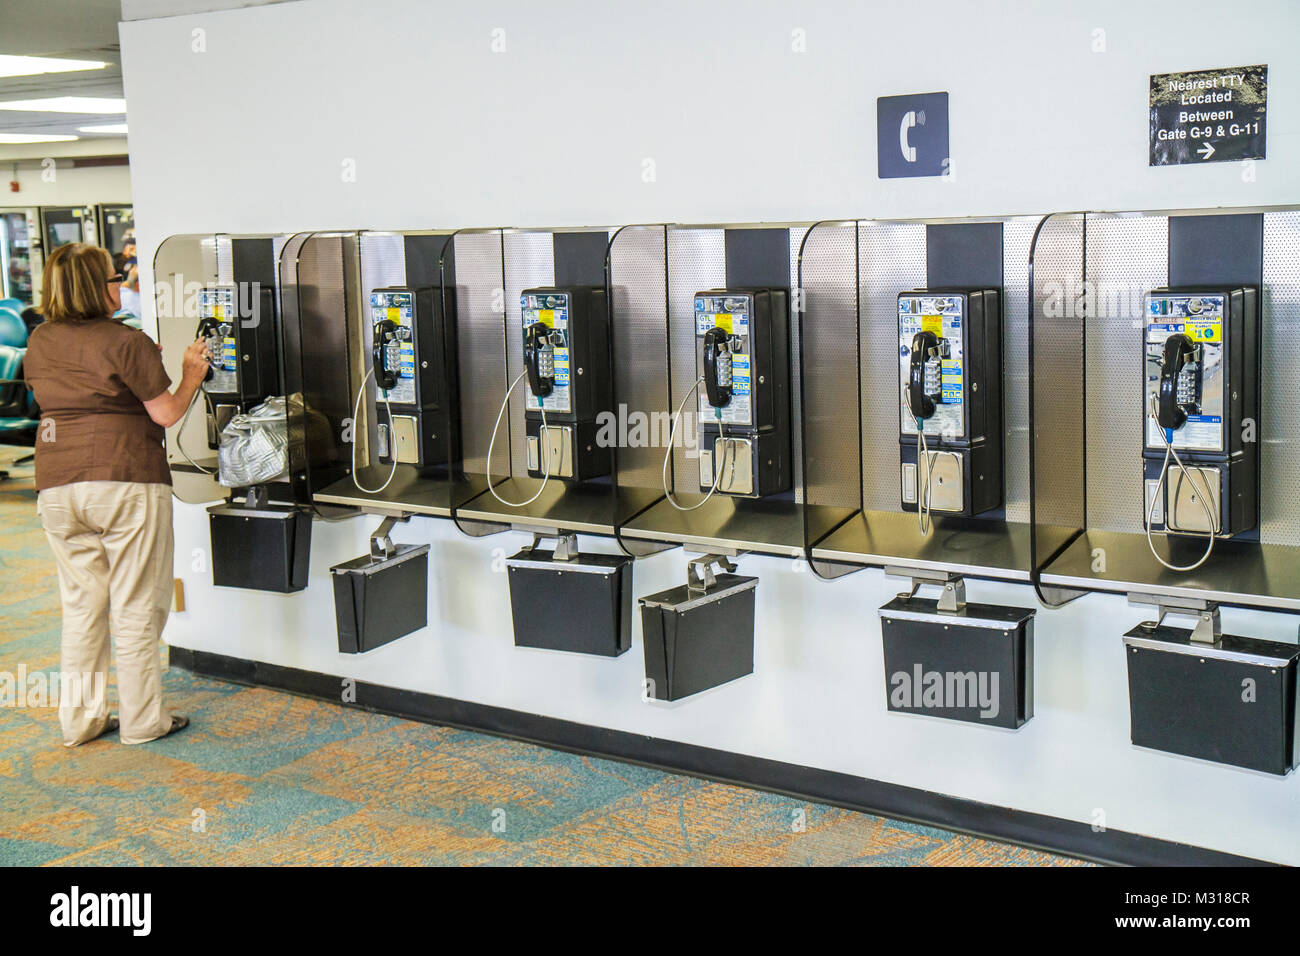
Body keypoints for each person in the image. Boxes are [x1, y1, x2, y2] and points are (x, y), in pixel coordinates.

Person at [23, 243, 209, 746]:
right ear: (94, 287)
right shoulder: (125, 340)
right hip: (124, 477)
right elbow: (166, 414)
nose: (121, 285)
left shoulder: (39, 339)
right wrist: (191, 374)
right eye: (114, 278)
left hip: (57, 482)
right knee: (136, 605)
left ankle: (80, 721)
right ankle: (144, 721)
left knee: (82, 607)